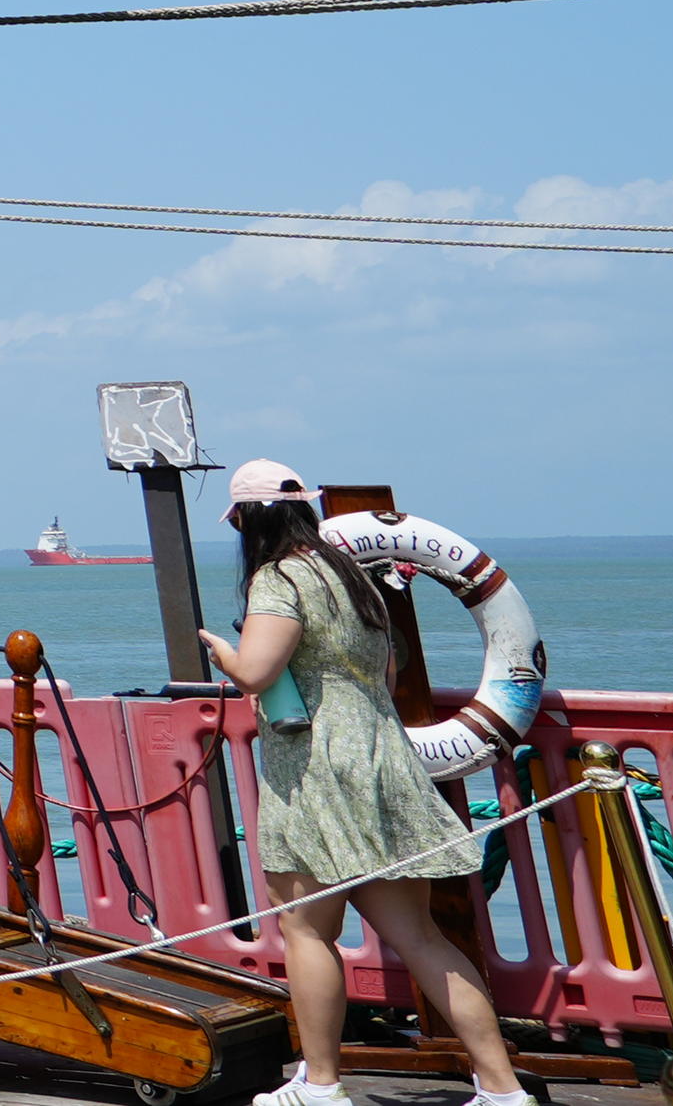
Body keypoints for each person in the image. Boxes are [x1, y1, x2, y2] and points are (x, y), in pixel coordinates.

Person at [198, 459, 533, 1106]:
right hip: (385, 759)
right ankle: (502, 1087)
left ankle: (320, 1083)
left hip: (320, 771)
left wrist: (224, 652)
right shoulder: (350, 573)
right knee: (421, 937)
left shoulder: (279, 576)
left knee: (307, 930)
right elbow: (382, 675)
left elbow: (260, 669)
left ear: (247, 518)